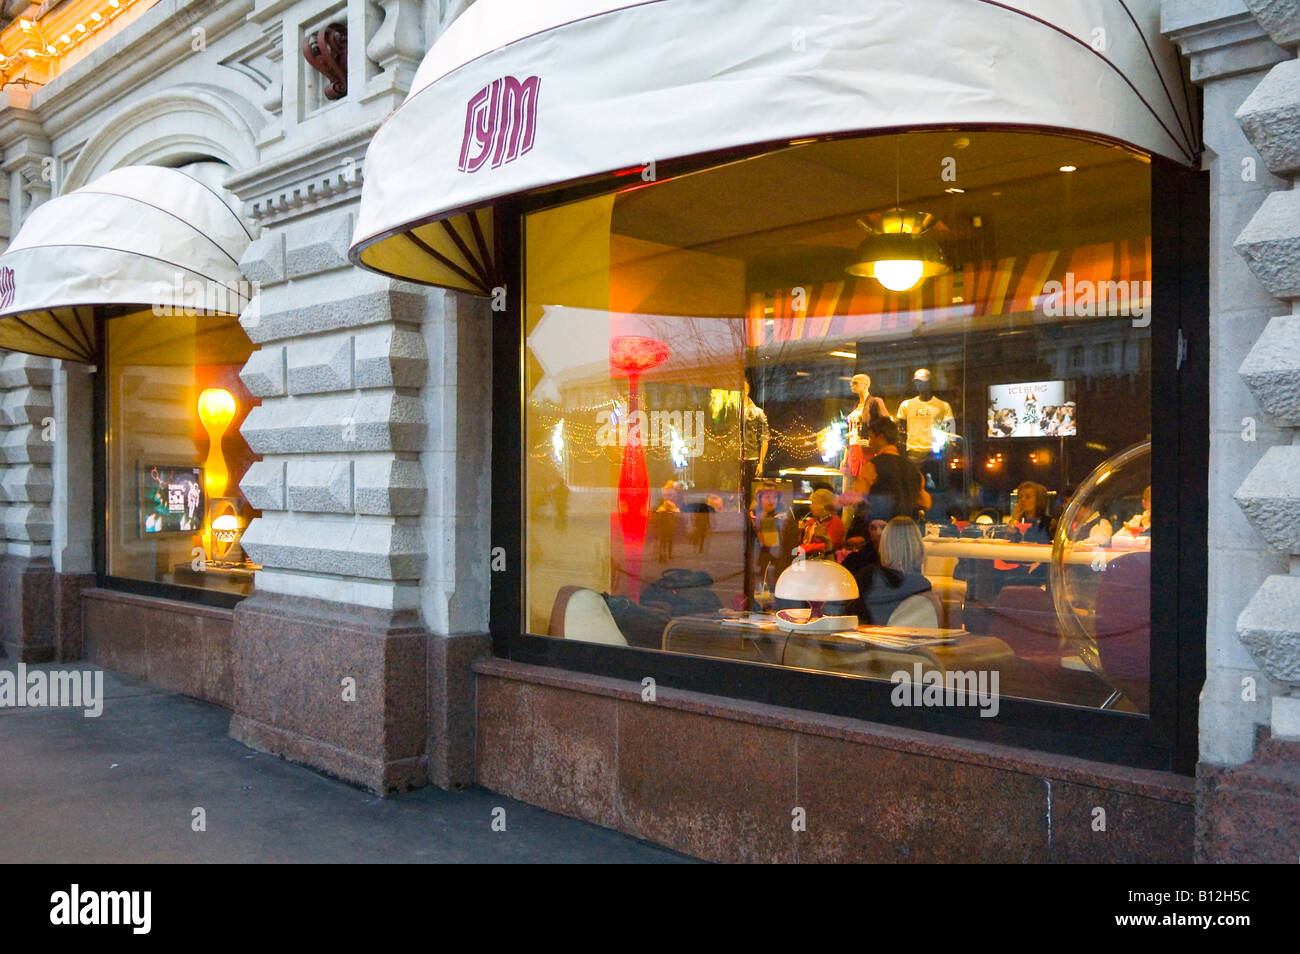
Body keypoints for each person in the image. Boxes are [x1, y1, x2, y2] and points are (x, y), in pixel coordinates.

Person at [841, 517, 933, 625]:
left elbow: (845, 612)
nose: (878, 533)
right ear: (918, 546)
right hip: (903, 638)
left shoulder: (869, 576)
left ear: (885, 545)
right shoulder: (922, 585)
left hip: (867, 636)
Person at [860, 418, 931, 521]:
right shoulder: (912, 468)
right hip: (907, 529)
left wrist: (838, 500)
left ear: (881, 437)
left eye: (871, 437)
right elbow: (925, 503)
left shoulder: (872, 466)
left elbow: (857, 495)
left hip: (880, 530)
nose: (869, 442)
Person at [842, 373, 891, 480]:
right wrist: (845, 456)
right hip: (853, 450)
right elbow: (851, 432)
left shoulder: (875, 402)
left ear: (865, 385)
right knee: (850, 488)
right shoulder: (856, 405)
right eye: (851, 382)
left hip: (866, 451)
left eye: (855, 383)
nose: (851, 385)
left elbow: (887, 424)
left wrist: (871, 440)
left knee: (864, 485)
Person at [751, 488, 787, 593]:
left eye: (775, 497)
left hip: (775, 558)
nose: (771, 500)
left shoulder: (781, 517)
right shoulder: (753, 517)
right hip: (760, 558)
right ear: (759, 499)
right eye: (767, 497)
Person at [796, 487, 844, 557]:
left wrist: (805, 548)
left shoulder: (835, 523)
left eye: (813, 503)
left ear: (824, 506)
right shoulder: (811, 522)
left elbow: (830, 544)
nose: (810, 506)